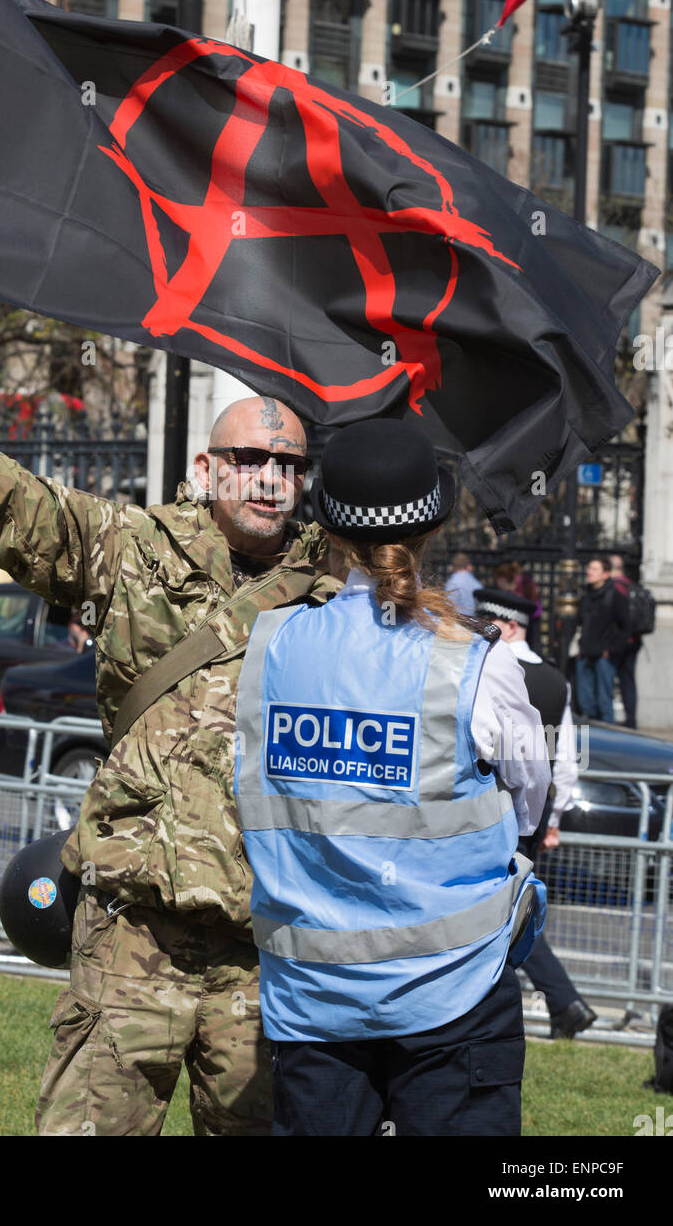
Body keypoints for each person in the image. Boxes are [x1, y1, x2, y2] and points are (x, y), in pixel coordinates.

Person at [0, 324, 339, 1137]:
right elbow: (13, 505)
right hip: (131, 932)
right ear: (209, 469)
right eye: (252, 459)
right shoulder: (133, 550)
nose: (271, 479)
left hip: (265, 950)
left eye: (289, 465)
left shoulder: (335, 592)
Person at [234, 419, 550, 1137]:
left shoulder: (270, 647)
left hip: (311, 1000)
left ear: (329, 527)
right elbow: (530, 803)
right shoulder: (476, 661)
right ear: (435, 524)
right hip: (452, 995)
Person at [472, 585, 597, 1040]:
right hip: (533, 813)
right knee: (512, 911)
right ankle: (562, 1005)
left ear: (507, 626)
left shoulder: (480, 664)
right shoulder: (555, 679)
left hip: (487, 808)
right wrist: (554, 819)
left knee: (499, 915)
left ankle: (560, 1001)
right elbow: (565, 761)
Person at [575, 557, 629, 723]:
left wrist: (611, 649)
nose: (589, 572)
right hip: (585, 653)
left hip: (604, 655)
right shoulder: (586, 594)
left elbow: (626, 625)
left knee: (604, 700)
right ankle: (592, 736)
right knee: (585, 701)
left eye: (594, 569)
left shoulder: (614, 595)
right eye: (589, 568)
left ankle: (609, 740)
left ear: (605, 574)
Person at [608, 554, 640, 729]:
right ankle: (631, 719)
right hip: (634, 639)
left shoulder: (614, 587)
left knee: (610, 679)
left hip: (619, 640)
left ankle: (610, 720)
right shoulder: (630, 584)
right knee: (628, 680)